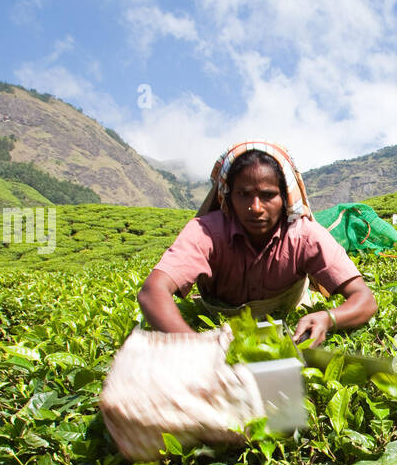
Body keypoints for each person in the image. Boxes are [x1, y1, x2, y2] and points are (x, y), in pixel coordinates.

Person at [138, 141, 376, 344]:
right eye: (243, 194)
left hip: (287, 313)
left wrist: (328, 318)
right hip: (219, 319)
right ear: (229, 196)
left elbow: (363, 299)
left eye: (267, 195)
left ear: (284, 197)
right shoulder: (206, 231)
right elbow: (153, 291)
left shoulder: (305, 235)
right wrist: (193, 346)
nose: (255, 207)